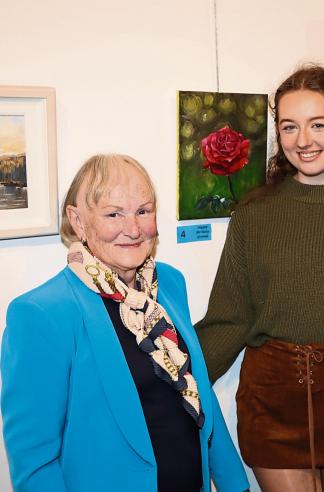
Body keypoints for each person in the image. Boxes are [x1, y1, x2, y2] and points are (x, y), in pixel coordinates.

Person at [195, 65, 324, 492]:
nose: (303, 141)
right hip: (272, 398)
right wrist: (172, 382)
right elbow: (230, 317)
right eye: (290, 127)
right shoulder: (252, 214)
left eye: (318, 124)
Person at [1, 154, 249, 491]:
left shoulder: (169, 285)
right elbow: (35, 462)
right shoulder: (41, 314)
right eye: (113, 214)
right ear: (78, 221)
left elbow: (196, 391)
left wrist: (235, 483)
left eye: (143, 211)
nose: (132, 230)